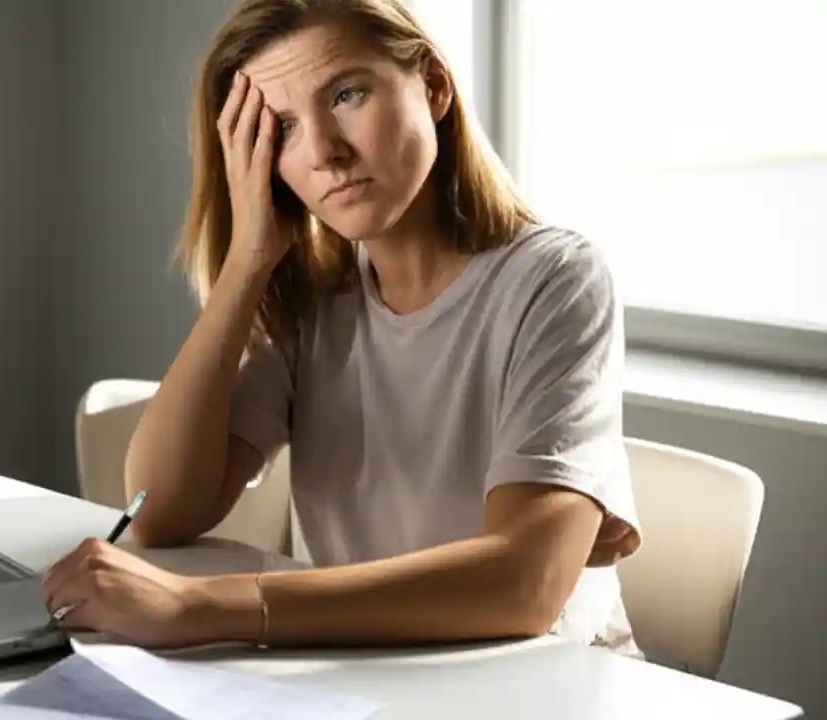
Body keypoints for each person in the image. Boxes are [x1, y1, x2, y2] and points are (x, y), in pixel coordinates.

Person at [42, 0, 643, 654]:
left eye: (348, 94)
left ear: (434, 86)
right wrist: (248, 260)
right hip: (362, 671)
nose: (326, 152)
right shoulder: (318, 297)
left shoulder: (554, 280)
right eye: (284, 127)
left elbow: (523, 587)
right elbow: (158, 510)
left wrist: (199, 605)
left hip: (538, 687)